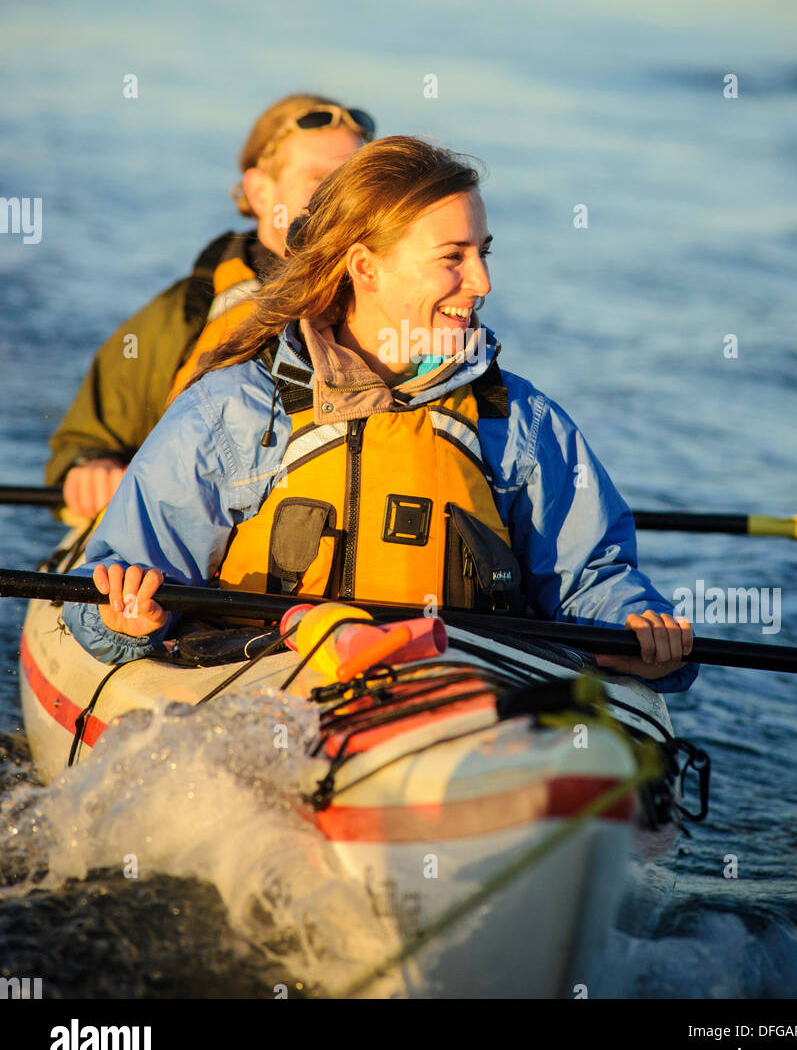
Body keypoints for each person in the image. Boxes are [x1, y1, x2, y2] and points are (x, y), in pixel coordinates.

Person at [63, 136, 696, 691]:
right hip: (262, 691)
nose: (482, 281)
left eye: (484, 251)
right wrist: (123, 615)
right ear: (365, 266)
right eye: (453, 257)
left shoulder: (522, 424)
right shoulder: (230, 412)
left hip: (466, 699)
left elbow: (590, 581)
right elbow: (116, 575)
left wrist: (633, 629)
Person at [46, 94, 375, 517]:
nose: (341, 199)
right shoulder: (186, 313)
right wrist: (90, 465)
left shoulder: (396, 307)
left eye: (354, 182)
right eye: (318, 181)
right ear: (259, 192)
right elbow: (86, 437)